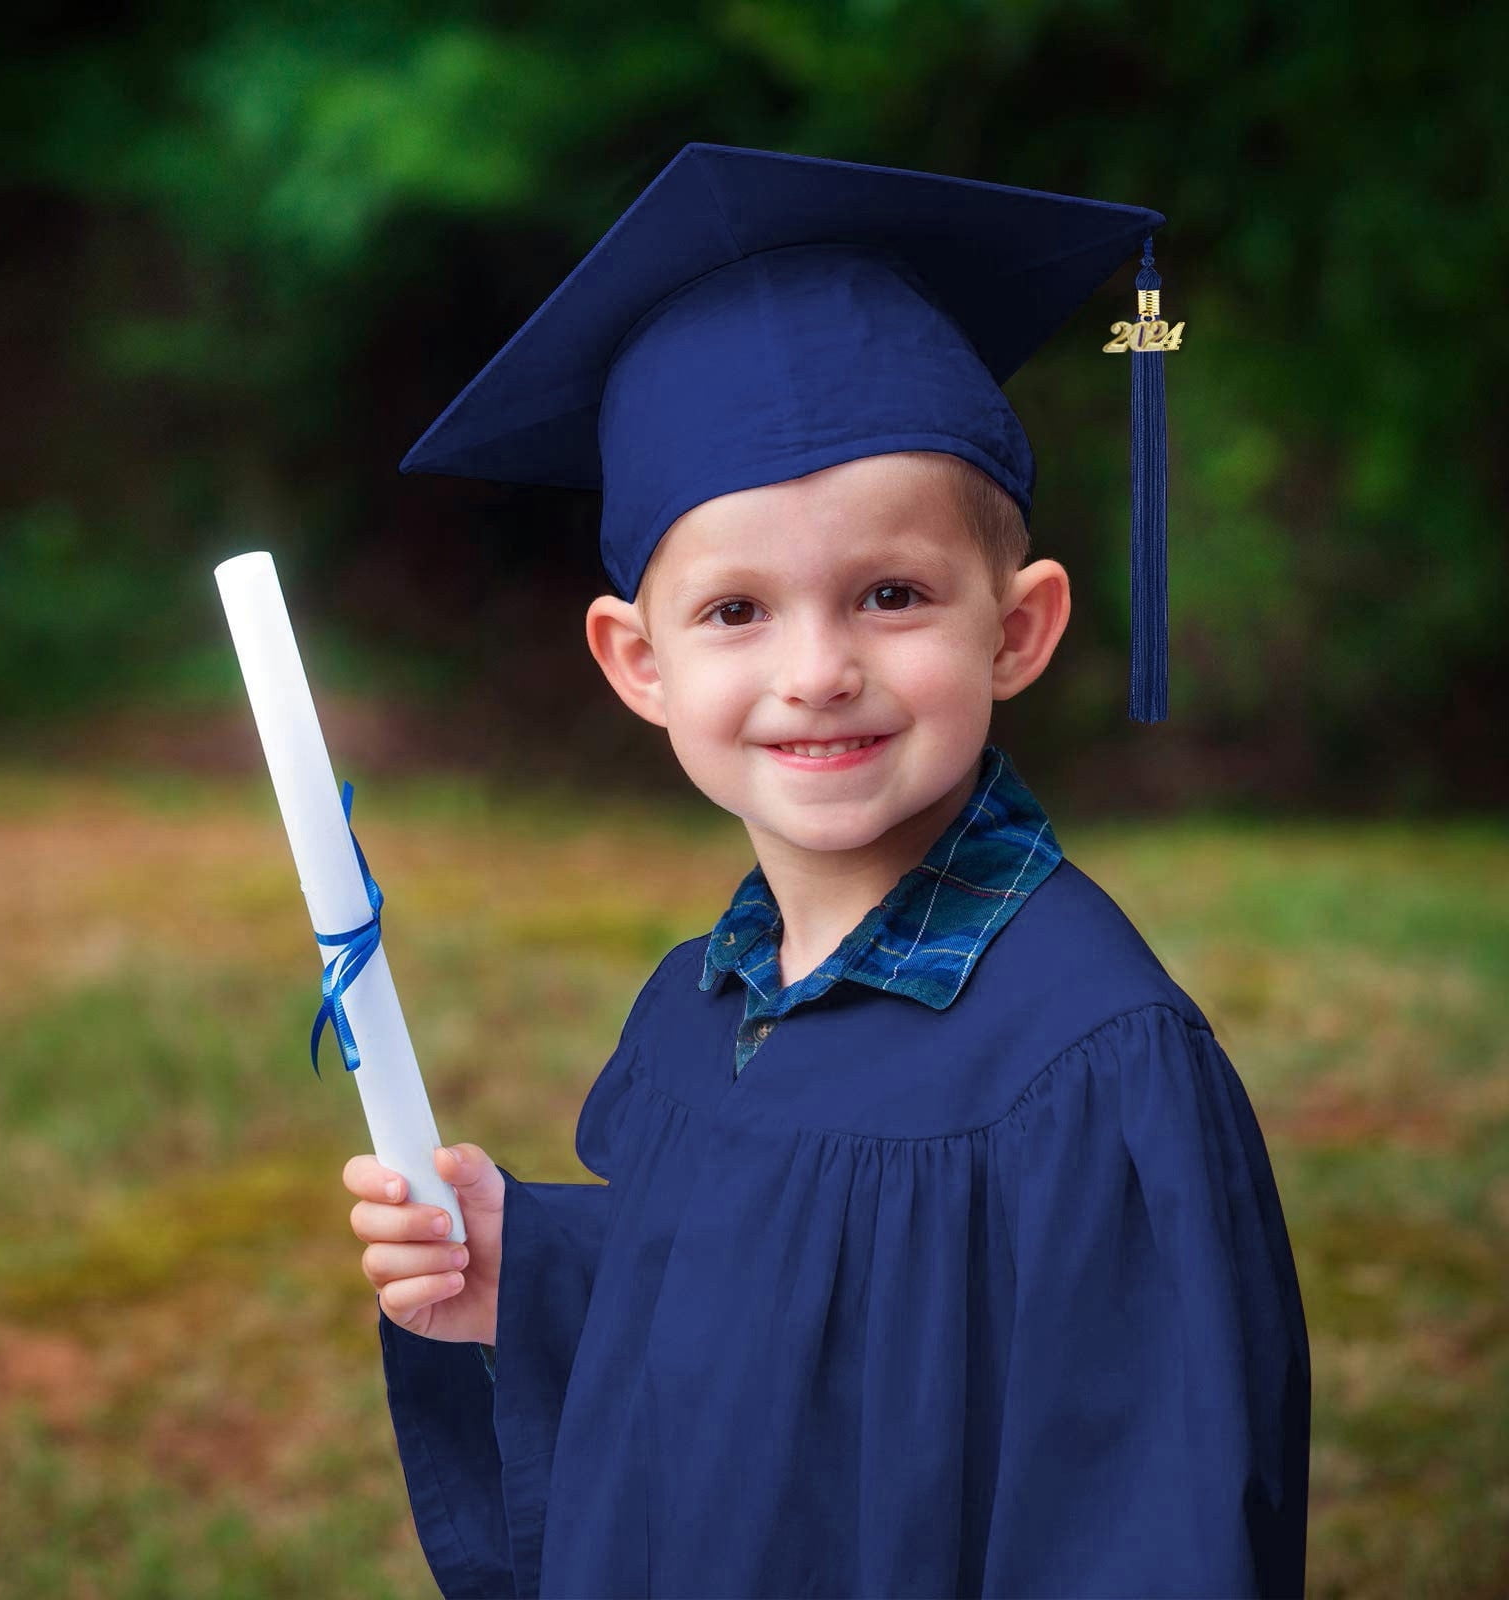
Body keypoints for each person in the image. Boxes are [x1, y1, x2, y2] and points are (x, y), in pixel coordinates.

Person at [341, 143, 1311, 1598]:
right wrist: (534, 1274)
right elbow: (784, 1344)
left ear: (1020, 627)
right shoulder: (703, 1002)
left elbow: (1139, 1534)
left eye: (892, 594)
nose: (819, 672)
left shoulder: (1094, 1075)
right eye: (737, 609)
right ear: (638, 663)